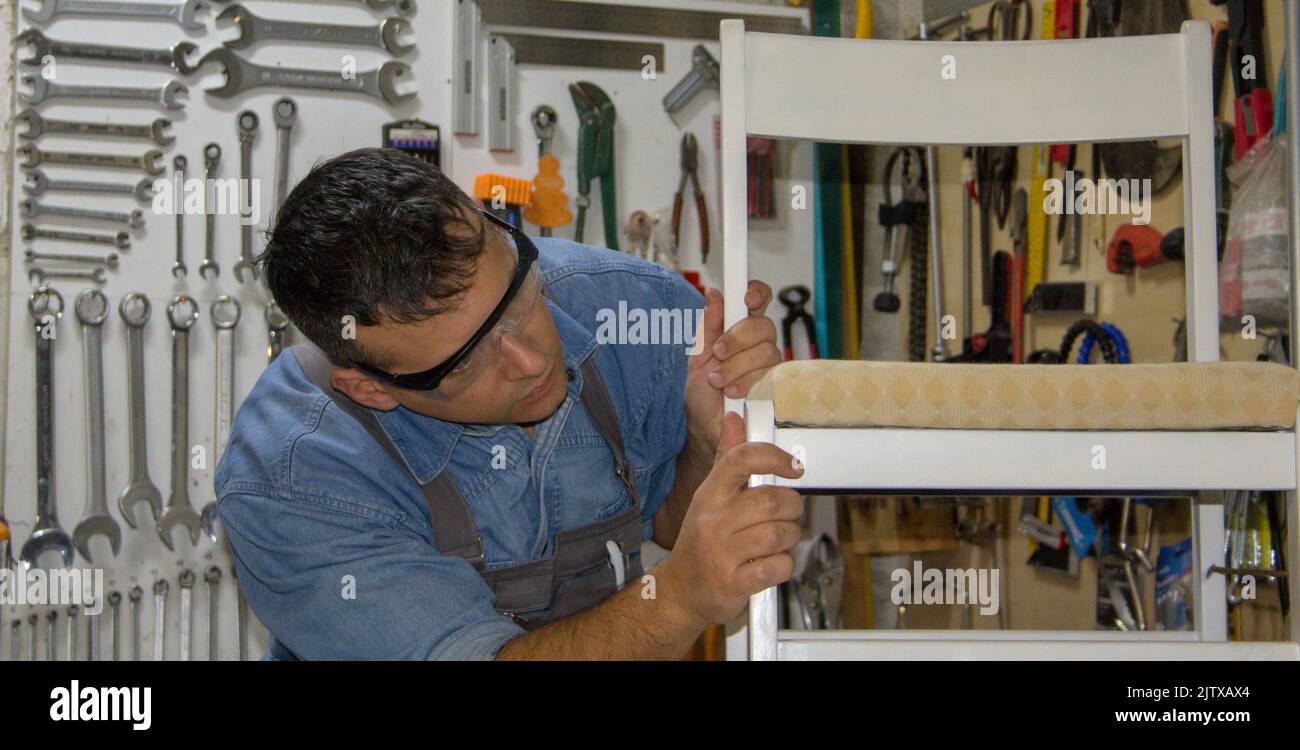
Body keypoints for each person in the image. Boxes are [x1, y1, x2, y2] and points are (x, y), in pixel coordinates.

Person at [215, 148, 805, 659]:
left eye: (518, 297)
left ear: (499, 233)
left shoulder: (641, 314)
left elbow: (670, 522)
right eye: (468, 361)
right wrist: (678, 600)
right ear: (371, 388)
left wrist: (707, 449)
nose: (532, 360)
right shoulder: (292, 479)